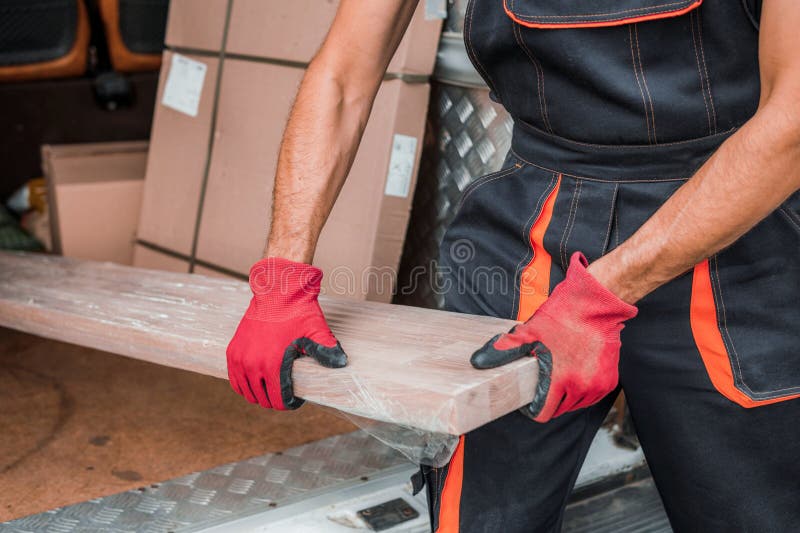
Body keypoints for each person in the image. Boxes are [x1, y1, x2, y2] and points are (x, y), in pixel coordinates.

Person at [226, 0, 800, 530]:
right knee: (480, 515)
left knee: (751, 509)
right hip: (531, 230)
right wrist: (282, 272)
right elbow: (344, 73)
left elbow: (793, 118)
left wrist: (600, 296)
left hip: (729, 225)